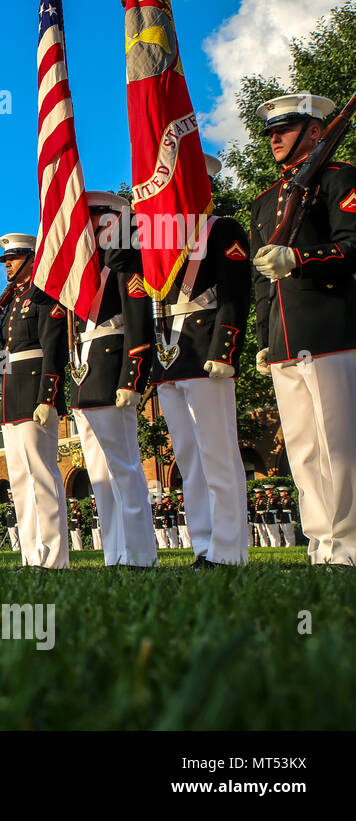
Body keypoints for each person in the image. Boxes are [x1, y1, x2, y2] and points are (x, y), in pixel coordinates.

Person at [251, 93, 356, 567]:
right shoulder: (265, 201)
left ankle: (349, 543)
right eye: (271, 131)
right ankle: (321, 543)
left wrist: (300, 258)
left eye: (286, 129)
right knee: (303, 449)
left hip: (331, 329)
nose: (274, 138)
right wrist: (262, 340)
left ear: (316, 131)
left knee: (340, 444)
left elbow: (352, 245)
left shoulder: (339, 179)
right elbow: (260, 283)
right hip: (285, 341)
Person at [150, 153, 251, 567]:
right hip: (170, 355)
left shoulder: (221, 229)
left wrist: (225, 351)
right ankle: (204, 546)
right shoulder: (159, 242)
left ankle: (229, 550)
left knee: (218, 453)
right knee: (189, 459)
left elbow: (235, 294)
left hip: (206, 350)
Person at [0, 234, 70, 569]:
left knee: (42, 476)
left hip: (37, 394)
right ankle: (31, 555)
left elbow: (54, 352)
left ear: (29, 259)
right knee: (22, 481)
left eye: (12, 258)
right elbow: (8, 360)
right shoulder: (11, 303)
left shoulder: (44, 298)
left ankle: (53, 558)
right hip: (12, 398)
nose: (6, 264)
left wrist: (48, 397)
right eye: (5, 260)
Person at [67, 190, 156, 566]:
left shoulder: (124, 267)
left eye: (94, 220)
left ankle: (139, 552)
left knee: (124, 466)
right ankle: (115, 553)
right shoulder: (77, 274)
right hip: (84, 370)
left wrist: (132, 378)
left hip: (111, 365)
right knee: (99, 474)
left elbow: (140, 324)